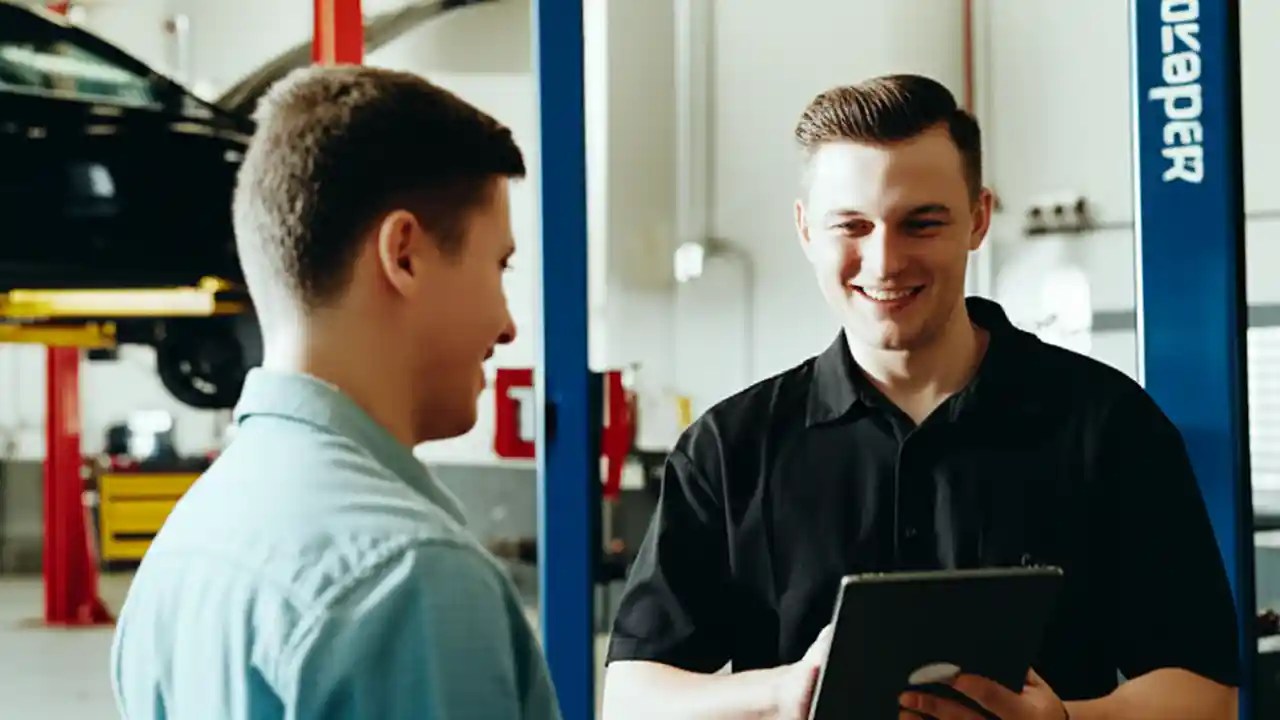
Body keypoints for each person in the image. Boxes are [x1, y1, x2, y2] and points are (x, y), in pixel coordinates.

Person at [601, 74, 1240, 720]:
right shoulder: (729, 448)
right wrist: (783, 691)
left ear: (978, 218)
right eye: (851, 225)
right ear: (805, 230)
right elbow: (631, 700)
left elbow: (1207, 695)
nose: (884, 262)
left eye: (921, 223)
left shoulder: (1109, 426)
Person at [111, 66, 561, 720]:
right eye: (499, 265)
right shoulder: (410, 580)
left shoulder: (186, 544)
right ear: (404, 254)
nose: (508, 322)